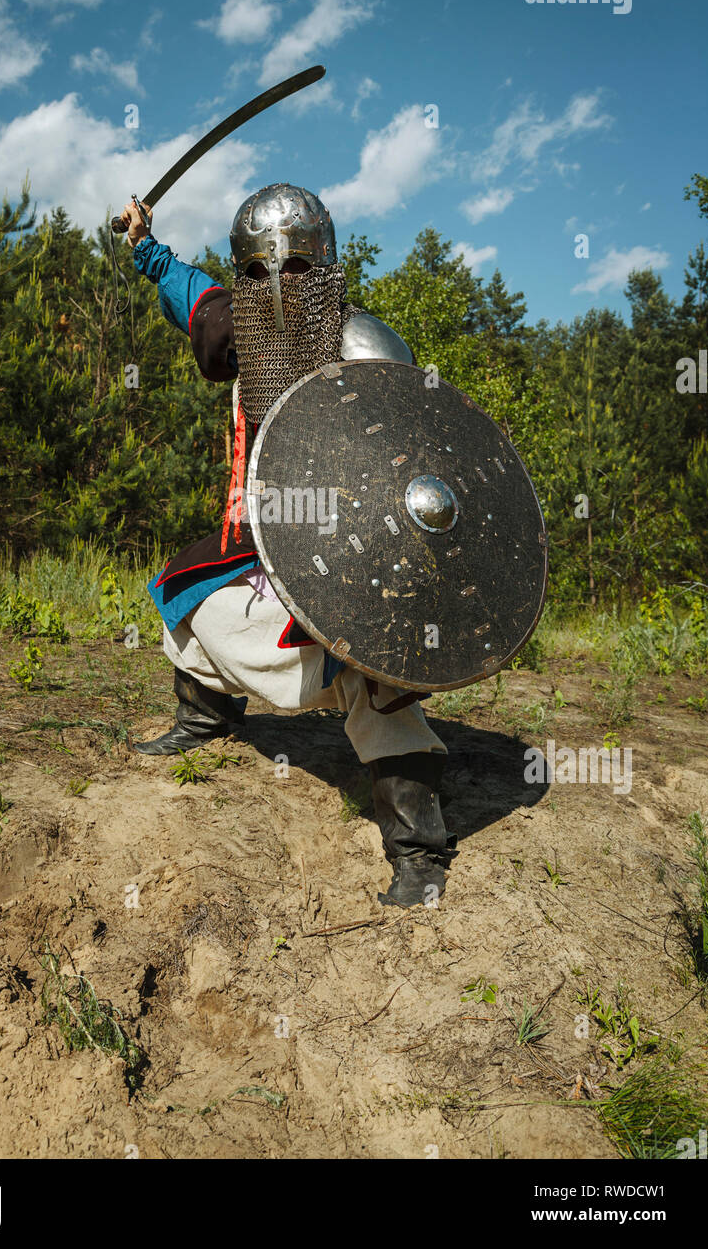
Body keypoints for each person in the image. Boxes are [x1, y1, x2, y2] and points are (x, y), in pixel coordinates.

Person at [119, 185, 456, 907]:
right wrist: (146, 248)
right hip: (261, 543)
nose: (275, 285)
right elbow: (190, 293)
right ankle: (205, 717)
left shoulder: (364, 345)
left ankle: (419, 847)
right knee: (187, 587)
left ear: (326, 267)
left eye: (296, 267)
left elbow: (417, 468)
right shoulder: (240, 325)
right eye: (257, 271)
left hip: (355, 555)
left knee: (374, 670)